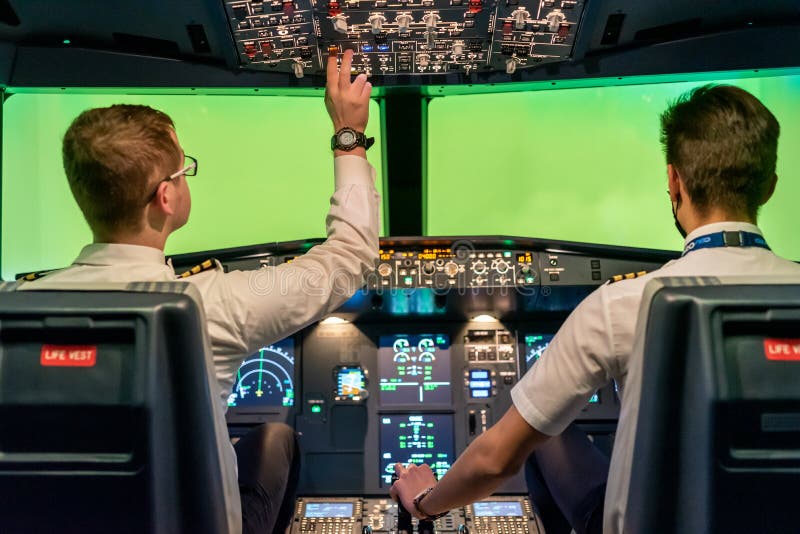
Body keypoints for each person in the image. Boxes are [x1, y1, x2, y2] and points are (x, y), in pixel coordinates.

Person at [390, 84, 800, 534]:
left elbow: (495, 459)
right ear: (770, 187)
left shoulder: (623, 303)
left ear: (674, 180)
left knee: (543, 436)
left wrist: (424, 504)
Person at [22, 50, 378, 534]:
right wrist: (348, 137)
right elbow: (348, 259)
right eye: (182, 170)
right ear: (165, 197)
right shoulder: (206, 307)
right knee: (274, 438)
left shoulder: (14, 308)